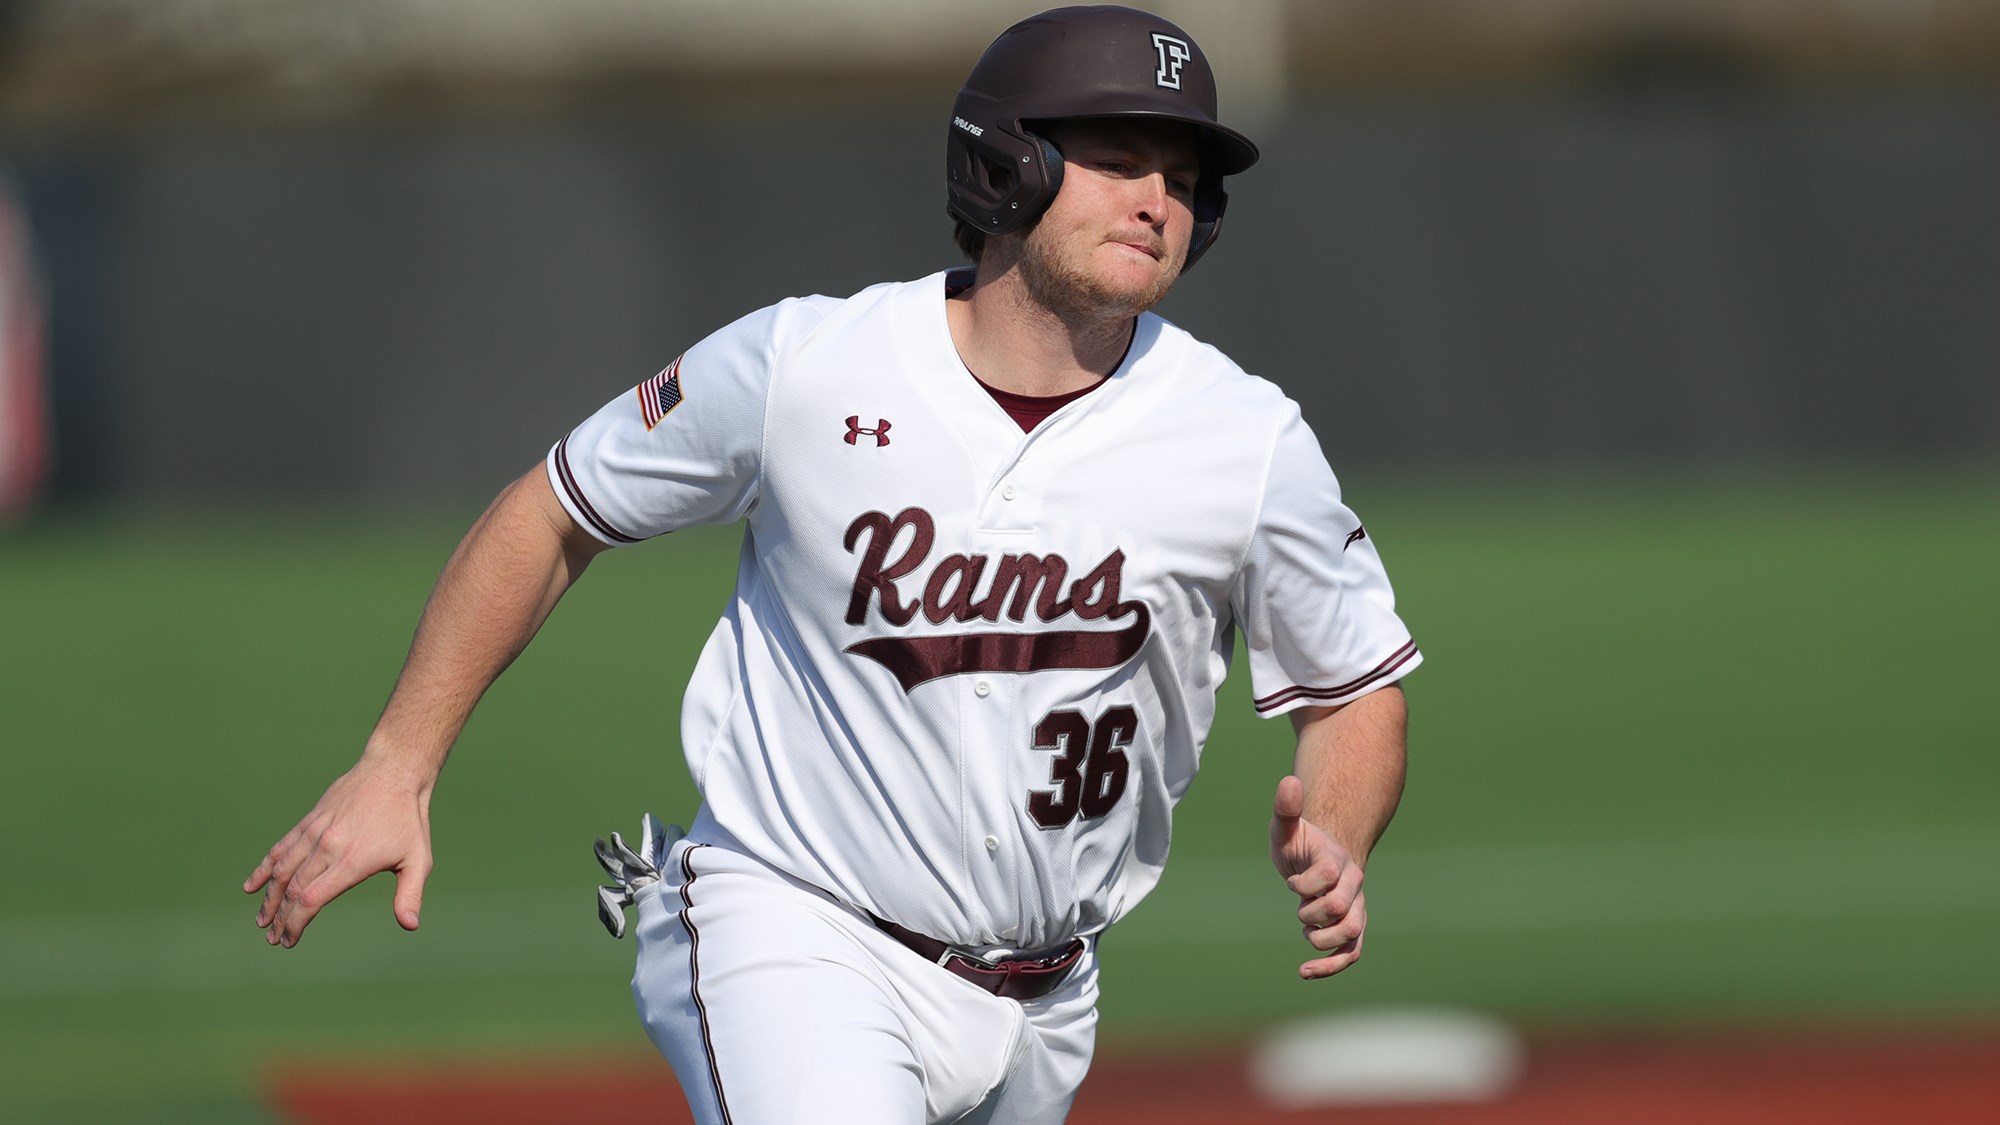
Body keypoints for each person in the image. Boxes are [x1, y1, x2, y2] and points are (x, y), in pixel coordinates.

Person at [245, 6, 1420, 1123]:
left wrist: (1336, 832)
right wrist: (398, 762)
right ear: (1005, 166)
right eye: (1117, 158)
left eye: (1181, 176)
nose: (1156, 198)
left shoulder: (1242, 438)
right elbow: (554, 510)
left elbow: (1354, 686)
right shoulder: (808, 366)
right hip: (792, 929)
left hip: (1050, 998)